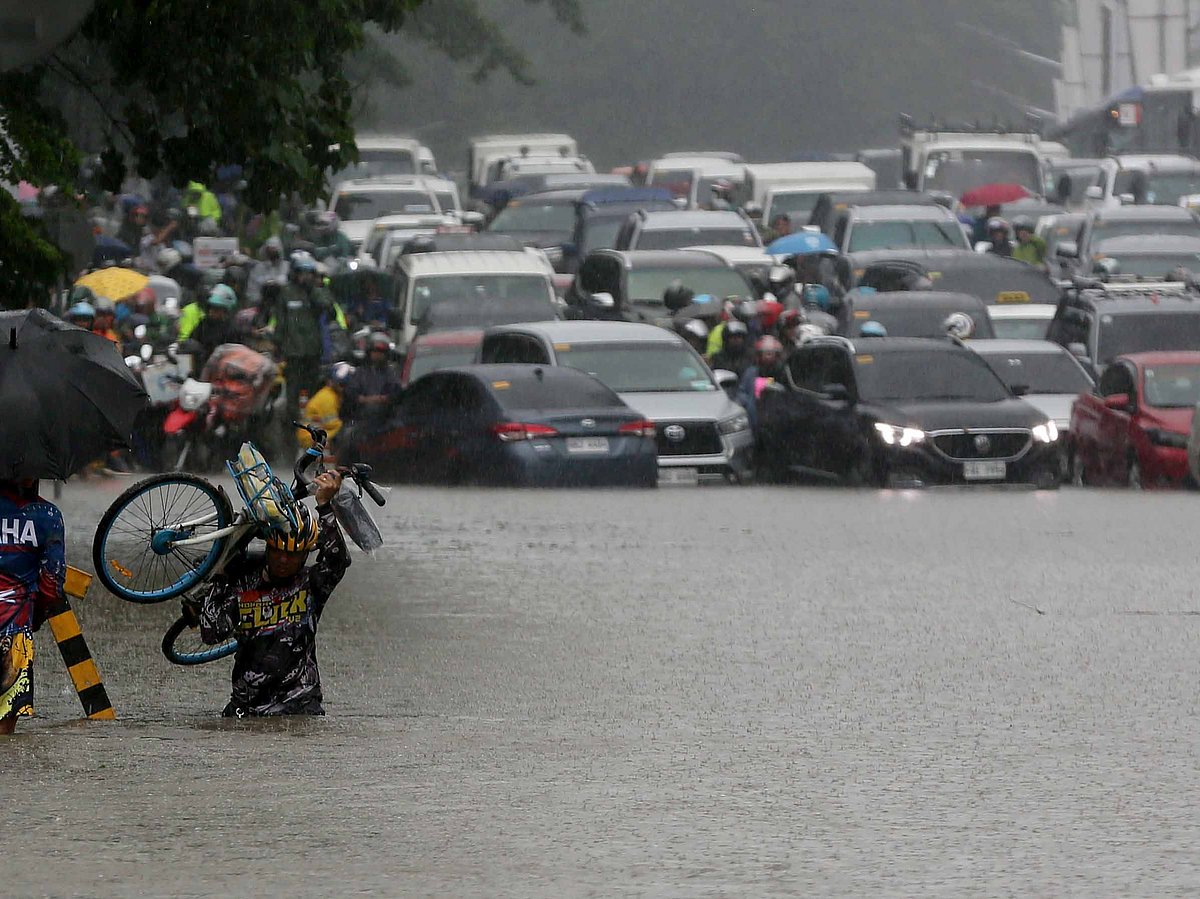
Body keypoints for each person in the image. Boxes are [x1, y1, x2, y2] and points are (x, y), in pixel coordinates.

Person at [196, 474, 348, 717]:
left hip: (299, 703)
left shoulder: (312, 583)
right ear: (268, 547)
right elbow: (211, 632)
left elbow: (338, 560)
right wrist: (218, 575)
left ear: (305, 556)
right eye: (278, 552)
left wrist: (324, 506)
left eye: (293, 555)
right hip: (247, 706)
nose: (284, 560)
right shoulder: (242, 582)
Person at [0, 479, 65, 734]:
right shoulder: (47, 516)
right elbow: (52, 584)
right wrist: (35, 619)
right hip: (15, 634)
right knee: (4, 733)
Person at [270, 254, 335, 427]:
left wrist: (314, 292)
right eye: (301, 273)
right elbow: (281, 322)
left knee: (314, 390)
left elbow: (330, 312)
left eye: (308, 274)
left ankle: (311, 424)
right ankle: (292, 425)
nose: (304, 277)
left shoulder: (318, 291)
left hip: (313, 352)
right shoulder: (286, 293)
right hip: (293, 353)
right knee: (292, 392)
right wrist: (277, 345)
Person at [297, 362, 353, 450]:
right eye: (342, 385)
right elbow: (332, 424)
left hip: (316, 434)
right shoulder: (327, 398)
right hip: (311, 438)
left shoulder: (333, 395)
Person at [736, 336, 786, 432]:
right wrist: (746, 403)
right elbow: (741, 392)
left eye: (772, 353)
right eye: (765, 353)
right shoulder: (751, 372)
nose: (768, 357)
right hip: (754, 421)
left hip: (776, 422)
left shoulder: (783, 373)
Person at [187, 285, 238, 367]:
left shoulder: (231, 330)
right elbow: (192, 341)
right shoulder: (203, 324)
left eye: (217, 309)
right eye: (211, 308)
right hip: (199, 368)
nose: (212, 312)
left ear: (225, 311)